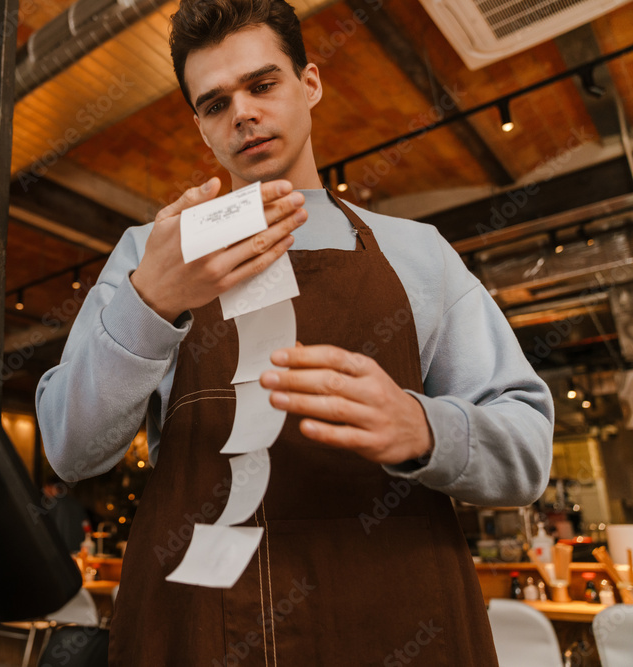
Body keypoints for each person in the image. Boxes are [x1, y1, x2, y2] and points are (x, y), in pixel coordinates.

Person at [35, 0, 554, 663]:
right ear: (201, 126)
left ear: (309, 84)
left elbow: (529, 449)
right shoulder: (153, 254)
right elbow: (71, 448)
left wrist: (424, 426)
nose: (242, 113)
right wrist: (152, 301)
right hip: (201, 623)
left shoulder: (417, 251)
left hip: (397, 619)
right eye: (215, 103)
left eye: (262, 84)